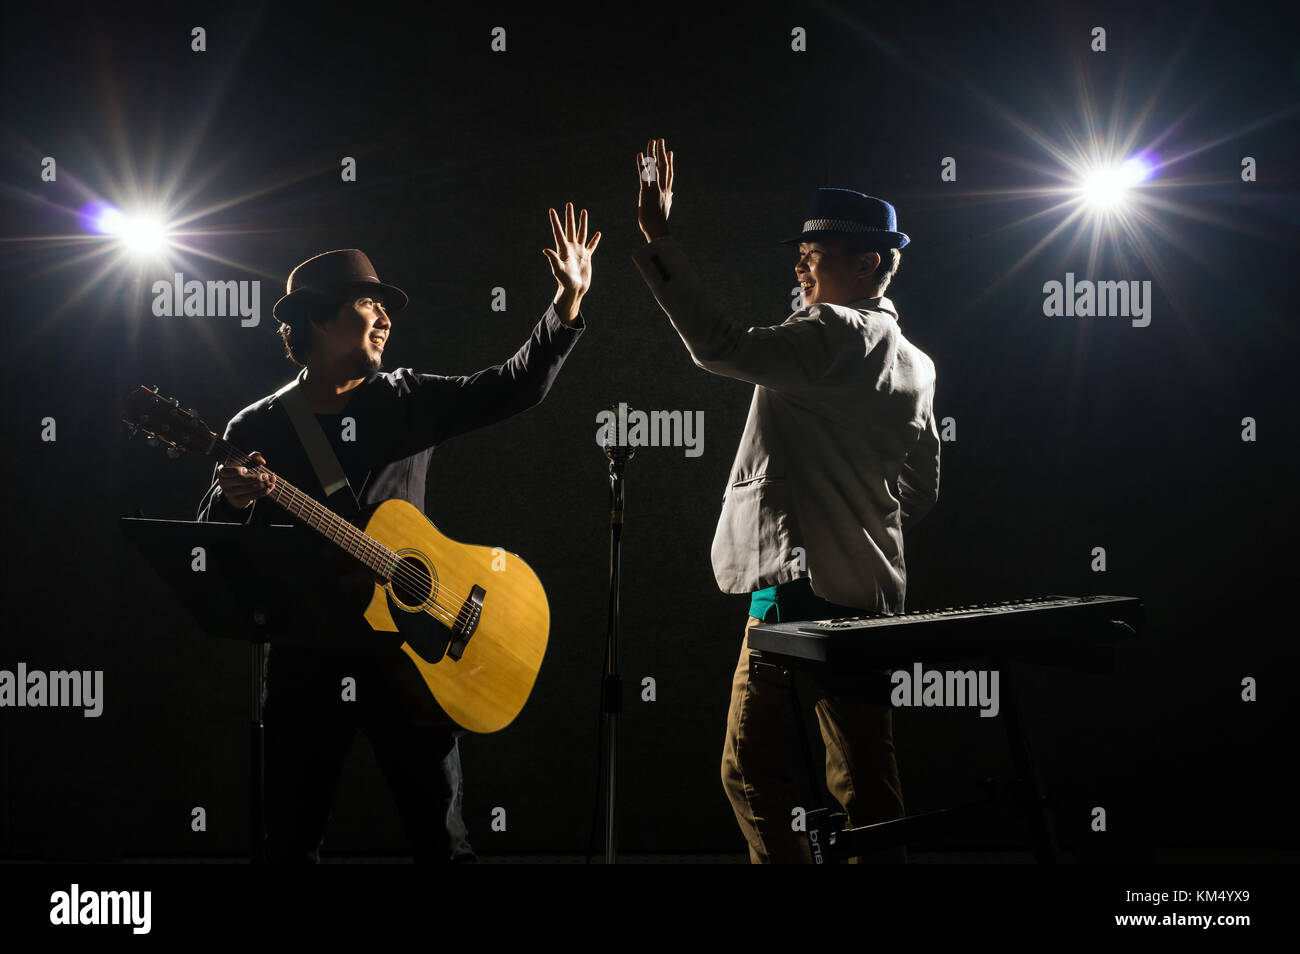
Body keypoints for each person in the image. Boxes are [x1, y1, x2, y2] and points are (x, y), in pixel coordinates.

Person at [196, 204, 600, 863]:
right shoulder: (256, 429)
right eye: (366, 304)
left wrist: (567, 302)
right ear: (319, 320)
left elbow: (513, 387)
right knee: (288, 842)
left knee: (442, 843)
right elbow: (213, 548)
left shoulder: (406, 398)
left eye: (386, 307)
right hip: (309, 657)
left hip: (416, 655)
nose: (385, 317)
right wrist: (232, 500)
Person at [630, 139, 939, 863]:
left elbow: (719, 345)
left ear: (867, 263)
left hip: (792, 592)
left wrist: (656, 237)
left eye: (818, 250)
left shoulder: (829, 332)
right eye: (800, 250)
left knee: (749, 771)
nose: (801, 262)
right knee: (867, 783)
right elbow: (920, 492)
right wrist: (858, 527)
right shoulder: (918, 364)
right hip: (868, 597)